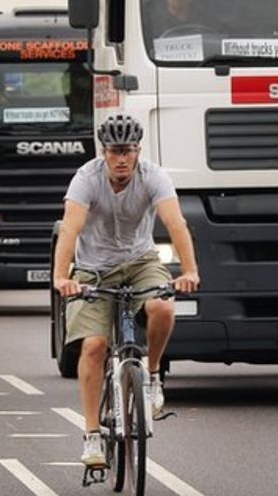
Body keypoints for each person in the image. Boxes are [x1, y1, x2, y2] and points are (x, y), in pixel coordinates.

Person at [52, 112, 200, 468]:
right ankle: (91, 437)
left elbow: (175, 223)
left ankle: (150, 376)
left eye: (128, 150)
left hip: (139, 260)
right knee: (94, 346)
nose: (122, 159)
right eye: (115, 151)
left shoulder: (153, 176)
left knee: (163, 308)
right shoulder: (86, 179)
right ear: (103, 151)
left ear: (138, 151)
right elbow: (70, 230)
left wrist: (190, 269)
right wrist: (62, 277)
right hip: (94, 268)